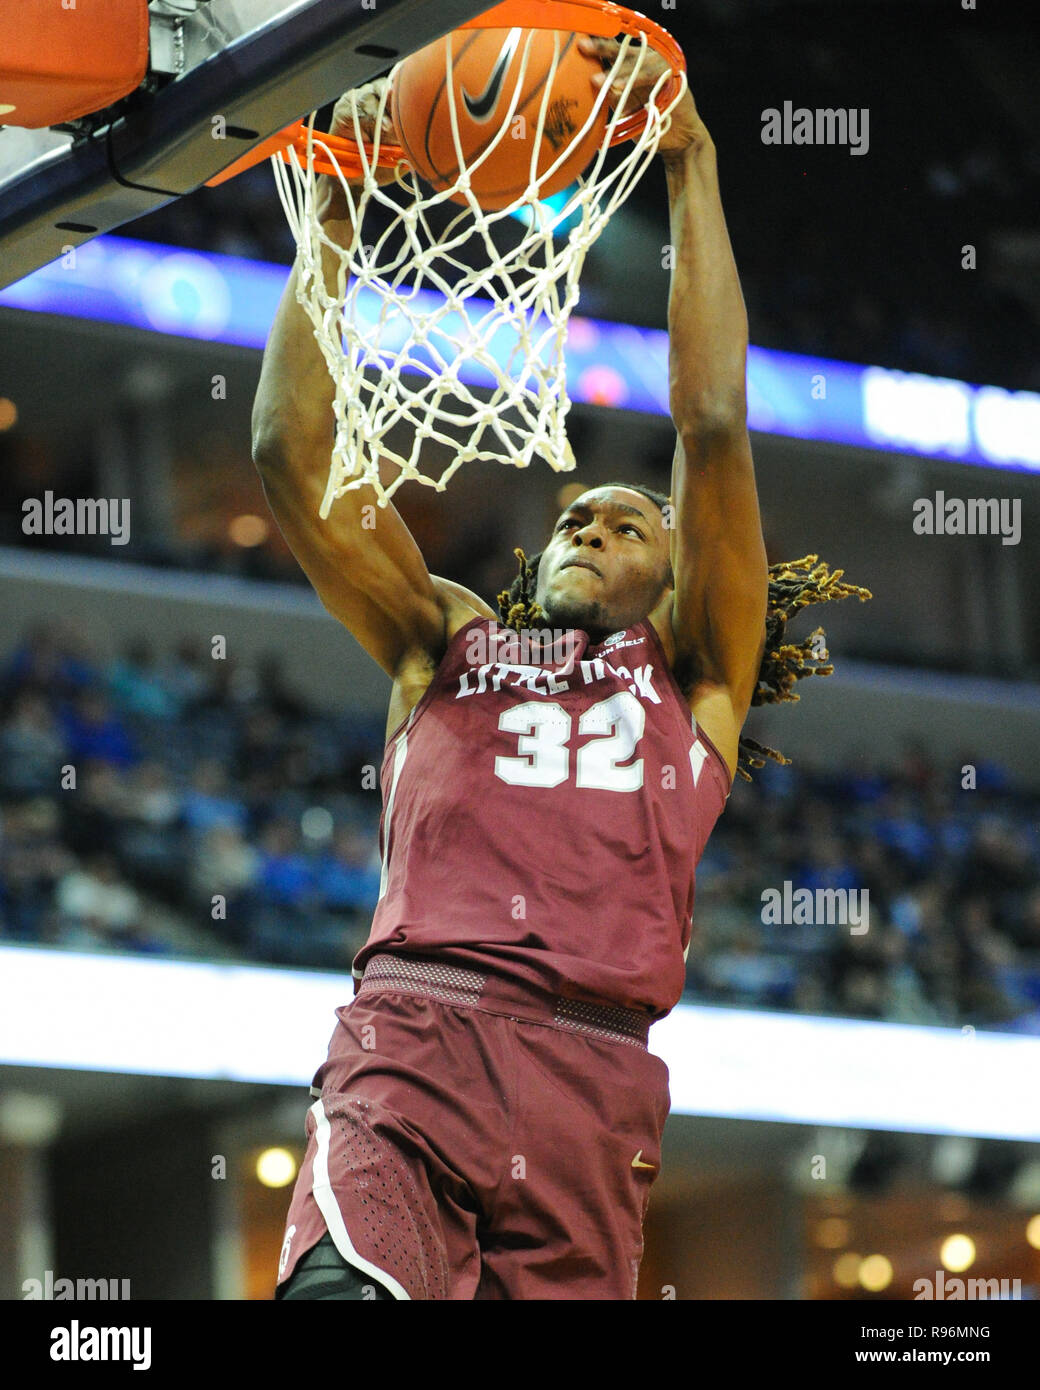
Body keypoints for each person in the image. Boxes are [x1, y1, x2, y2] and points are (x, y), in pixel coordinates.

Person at [251, 37, 868, 1300]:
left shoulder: (695, 677)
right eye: (571, 517)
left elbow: (707, 420)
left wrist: (690, 157)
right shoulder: (446, 641)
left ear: (674, 574)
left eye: (624, 522)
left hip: (593, 1084)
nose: (586, 526)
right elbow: (286, 447)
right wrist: (338, 198)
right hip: (414, 1044)